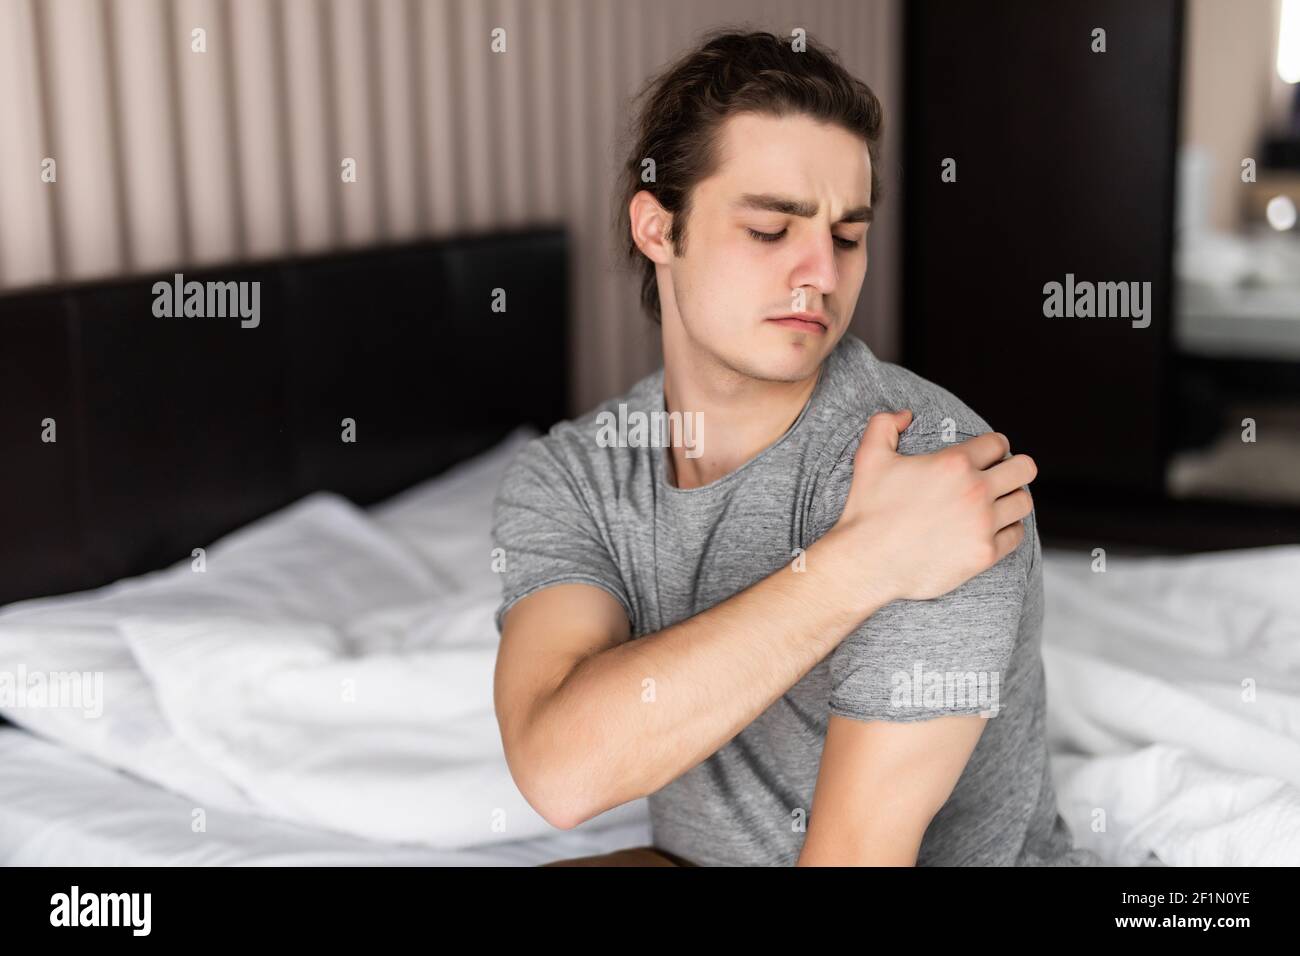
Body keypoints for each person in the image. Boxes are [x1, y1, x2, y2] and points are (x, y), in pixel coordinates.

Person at [491, 29, 1096, 867]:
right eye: (772, 230)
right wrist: (864, 563)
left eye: (847, 237)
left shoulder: (936, 474)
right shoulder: (577, 474)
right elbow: (560, 773)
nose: (820, 272)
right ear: (658, 228)